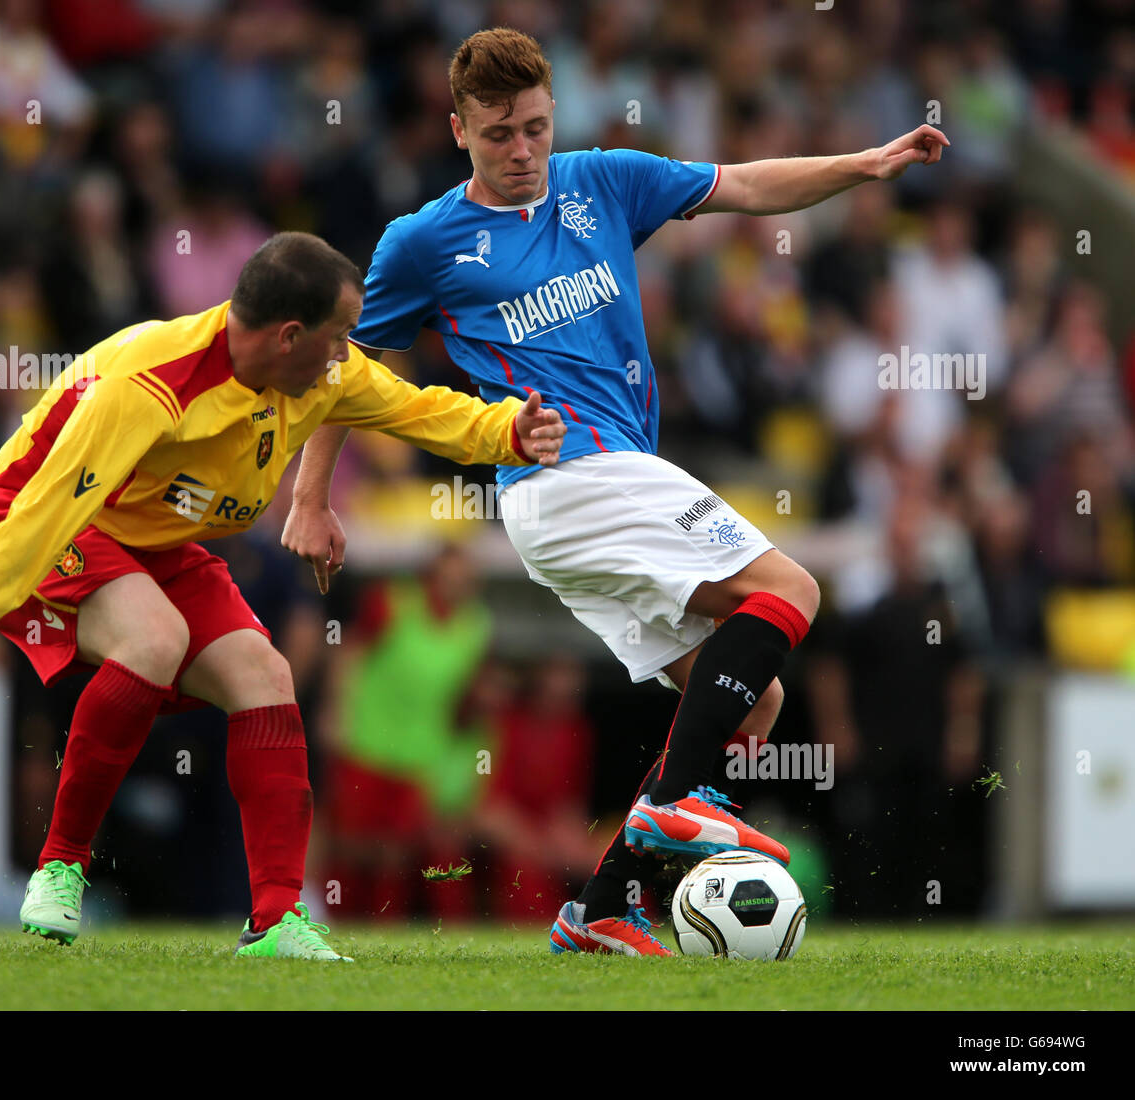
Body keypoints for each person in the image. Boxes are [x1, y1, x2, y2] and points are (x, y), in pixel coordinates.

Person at [283, 28, 948, 956]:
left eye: (535, 130)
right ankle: (677, 806)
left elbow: (744, 185)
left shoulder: (604, 181)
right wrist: (312, 500)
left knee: (755, 706)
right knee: (791, 592)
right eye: (499, 134)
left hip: (585, 494)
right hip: (563, 474)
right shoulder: (424, 240)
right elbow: (344, 366)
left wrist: (865, 164)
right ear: (458, 130)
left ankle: (600, 902)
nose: (521, 152)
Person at [0, 231, 566, 960]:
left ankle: (273, 922)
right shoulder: (148, 386)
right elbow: (43, 513)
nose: (346, 355)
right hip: (40, 522)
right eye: (337, 339)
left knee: (265, 677)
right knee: (155, 639)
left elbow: (417, 410)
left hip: (153, 540)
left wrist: (507, 433)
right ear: (290, 335)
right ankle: (61, 868)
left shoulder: (320, 374)